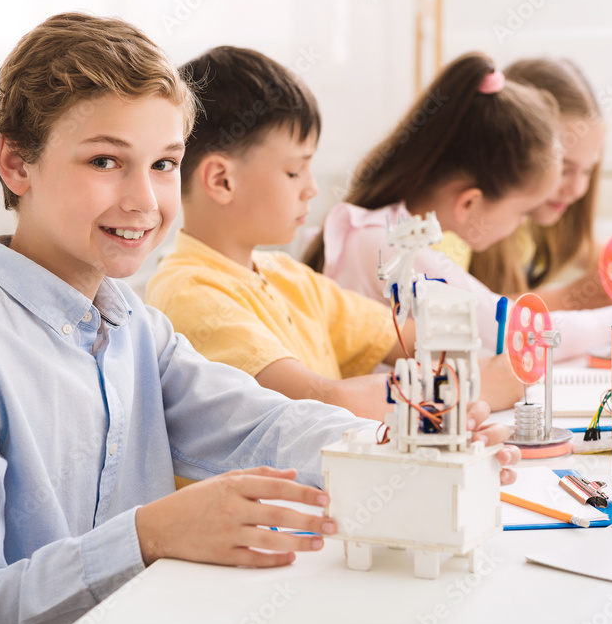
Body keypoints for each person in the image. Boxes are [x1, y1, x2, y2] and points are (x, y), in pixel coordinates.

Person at [0, 14, 520, 624]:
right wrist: (147, 535)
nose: (144, 200)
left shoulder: (136, 330)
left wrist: (405, 443)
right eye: (104, 161)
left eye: (163, 164)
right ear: (15, 164)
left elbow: (265, 425)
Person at [147, 46, 521, 415]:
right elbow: (322, 402)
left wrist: (478, 370)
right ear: (222, 180)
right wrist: (471, 386)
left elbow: (409, 338)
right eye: (294, 171)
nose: (311, 188)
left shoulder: (287, 276)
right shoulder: (190, 293)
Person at [302, 52, 612, 362]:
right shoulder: (392, 247)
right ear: (470, 202)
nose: (522, 224)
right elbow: (513, 332)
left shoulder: (385, 233)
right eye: (522, 213)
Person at [467, 57, 612, 312]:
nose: (577, 189)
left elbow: (610, 261)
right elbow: (445, 319)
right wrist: (570, 298)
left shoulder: (540, 225)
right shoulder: (457, 226)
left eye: (588, 170)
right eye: (564, 168)